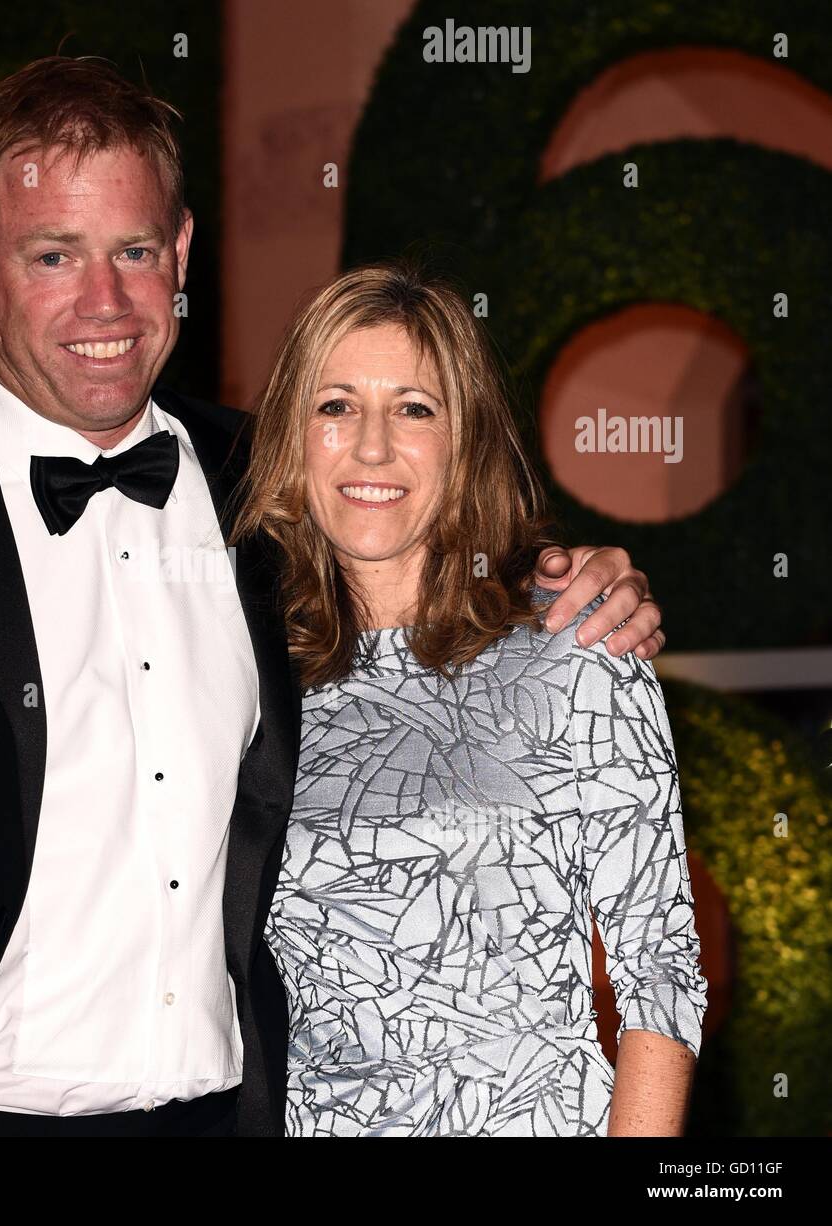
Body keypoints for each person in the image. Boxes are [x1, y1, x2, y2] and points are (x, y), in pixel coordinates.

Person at [0, 56, 668, 1138]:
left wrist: (569, 581)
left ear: (178, 255)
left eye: (133, 249)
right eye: (52, 255)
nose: (105, 302)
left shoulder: (279, 487)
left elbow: (437, 557)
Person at [233, 260, 708, 1136]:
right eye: (336, 405)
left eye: (415, 408)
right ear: (292, 439)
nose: (371, 447)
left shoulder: (578, 646)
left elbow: (660, 967)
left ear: (467, 440)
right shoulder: (242, 670)